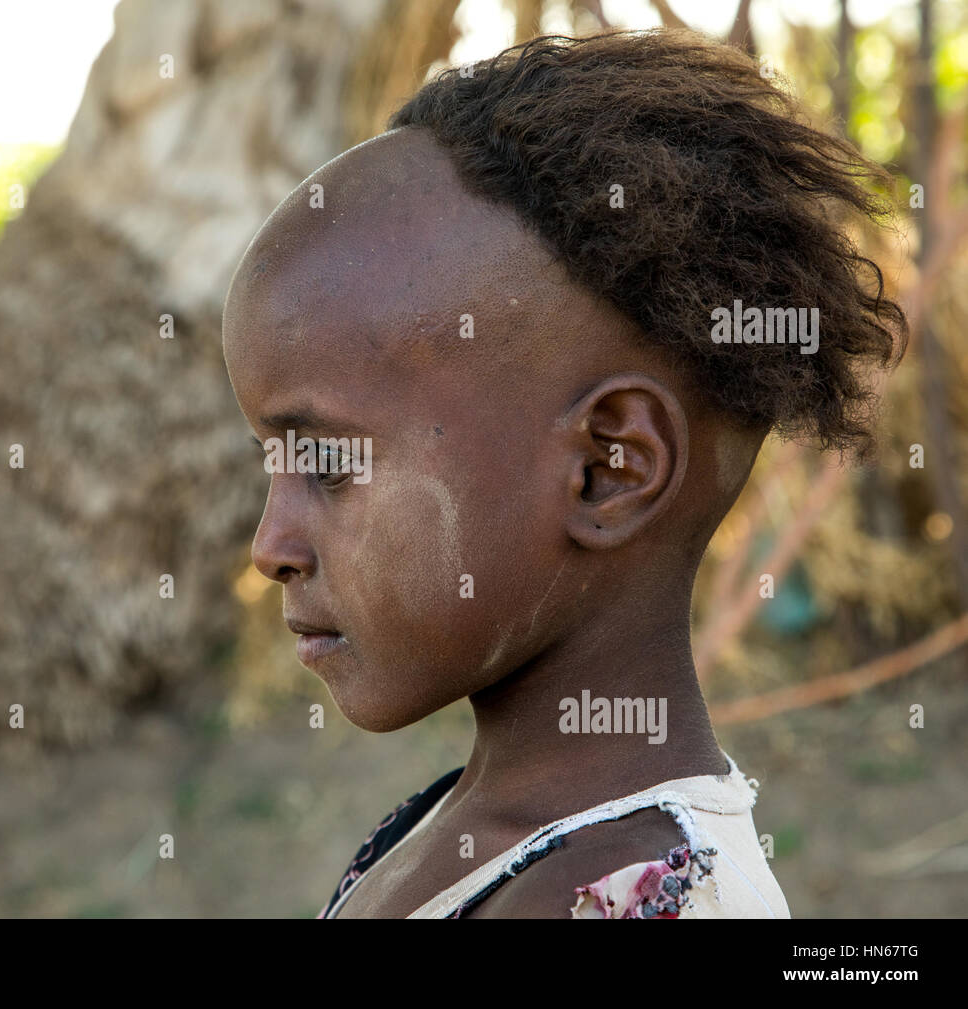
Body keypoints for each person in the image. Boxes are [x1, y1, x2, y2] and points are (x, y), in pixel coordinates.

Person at [220, 28, 906, 918]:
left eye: (326, 462)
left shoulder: (635, 901)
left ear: (609, 467)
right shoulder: (453, 827)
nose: (269, 546)